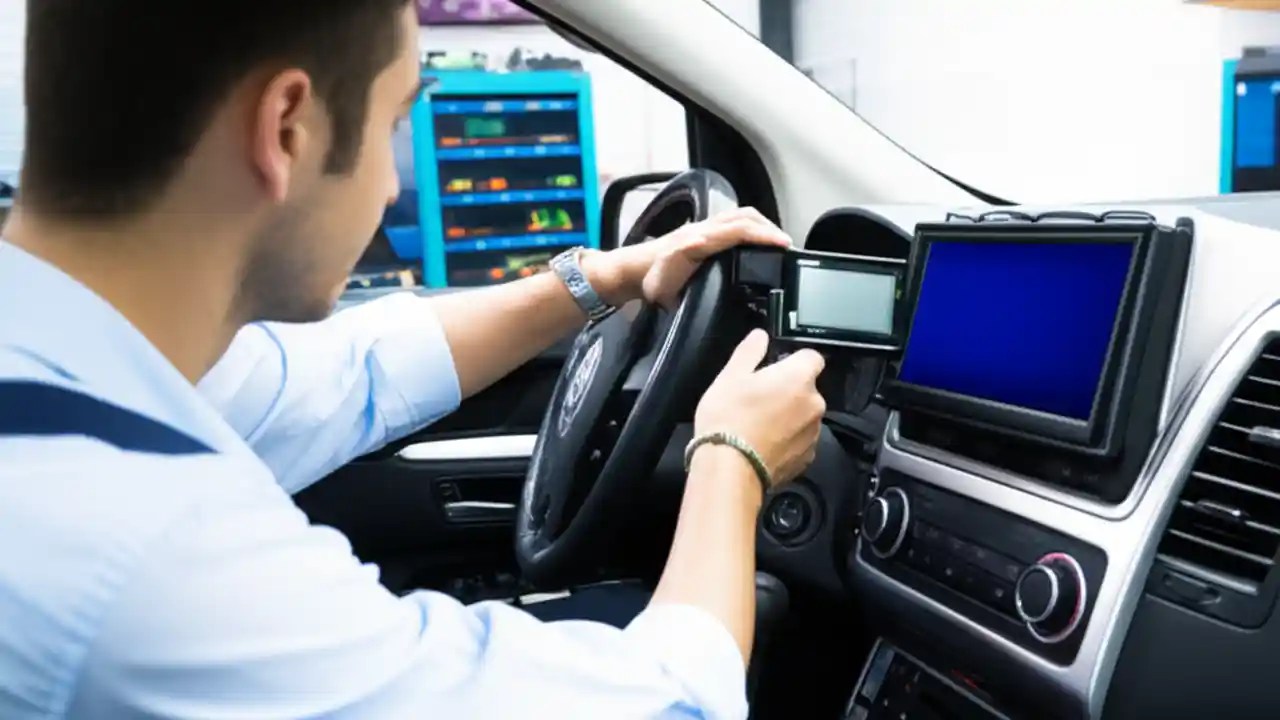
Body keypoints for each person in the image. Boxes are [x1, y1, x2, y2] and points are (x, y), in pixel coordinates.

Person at [0, 1, 826, 718]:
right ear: (286, 129)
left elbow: (355, 373)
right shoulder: (147, 563)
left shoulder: (67, 359)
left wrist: (604, 278)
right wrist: (732, 459)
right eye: (393, 125)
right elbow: (670, 705)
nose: (392, 188)